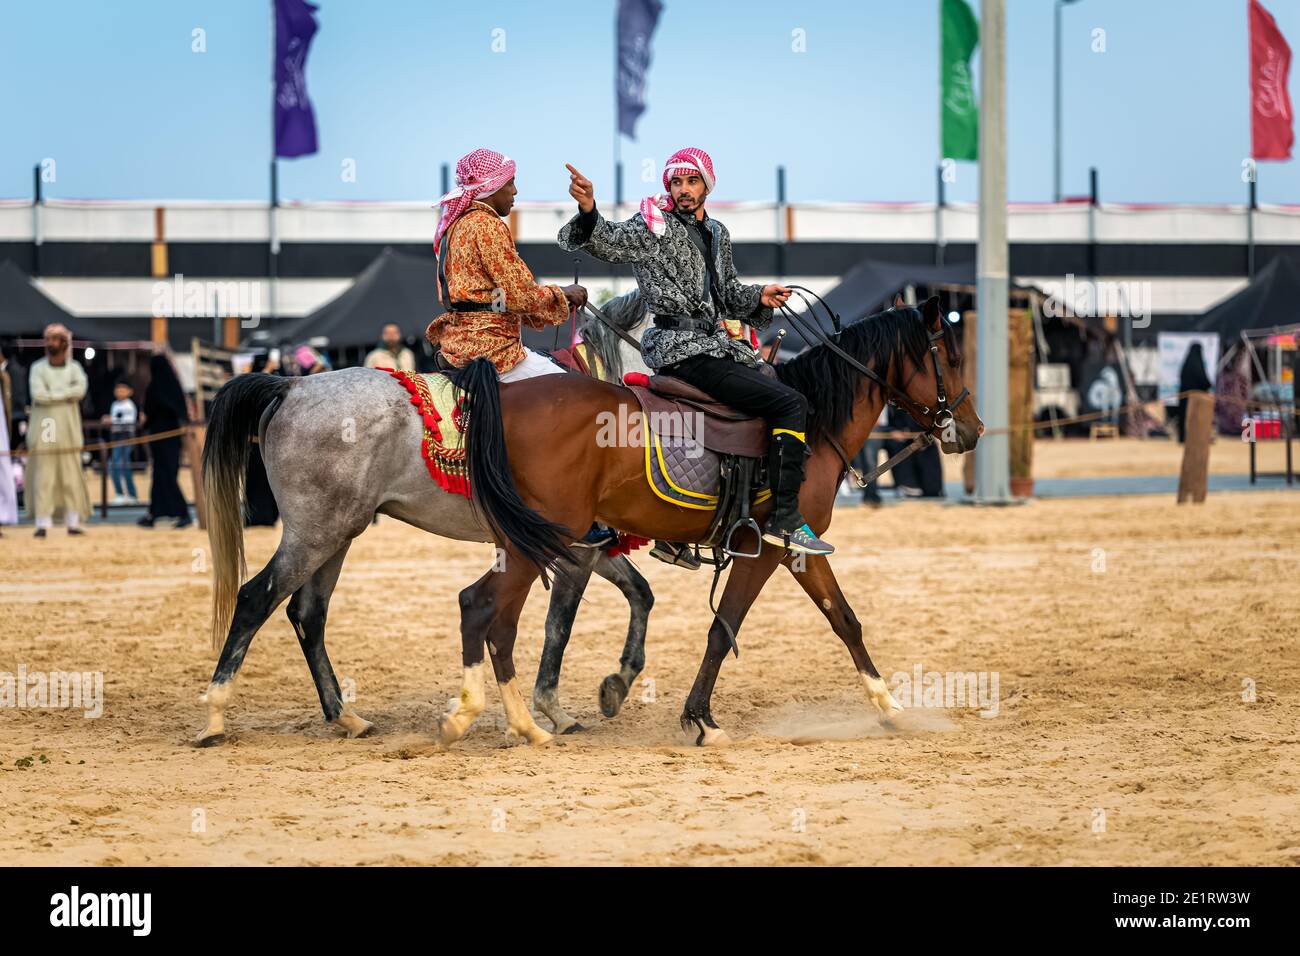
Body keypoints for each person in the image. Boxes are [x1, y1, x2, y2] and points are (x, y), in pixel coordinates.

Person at [559, 148, 833, 557]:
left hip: (716, 345)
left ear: (707, 184)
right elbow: (610, 242)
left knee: (769, 390)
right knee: (791, 404)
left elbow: (729, 294)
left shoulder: (718, 233)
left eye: (691, 181)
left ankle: (708, 518)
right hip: (678, 349)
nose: (683, 190)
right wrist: (589, 210)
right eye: (675, 182)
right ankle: (787, 516)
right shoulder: (653, 224)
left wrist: (761, 295)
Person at [426, 148, 586, 381]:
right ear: (492, 187)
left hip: (457, 344)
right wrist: (562, 294)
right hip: (491, 349)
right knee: (571, 388)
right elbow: (519, 296)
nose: (515, 190)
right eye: (510, 183)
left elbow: (500, 298)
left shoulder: (458, 225)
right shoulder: (488, 224)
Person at [28, 324, 92, 537]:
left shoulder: (74, 368)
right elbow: (39, 394)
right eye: (48, 339)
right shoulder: (38, 368)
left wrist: (55, 394)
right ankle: (42, 523)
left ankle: (72, 522)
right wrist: (65, 395)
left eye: (55, 339)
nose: (51, 343)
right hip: (46, 428)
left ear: (64, 343)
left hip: (68, 428)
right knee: (44, 475)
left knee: (70, 475)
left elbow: (80, 390)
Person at [138, 353, 192, 529]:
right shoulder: (174, 386)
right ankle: (155, 512)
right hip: (173, 437)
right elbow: (181, 411)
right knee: (165, 474)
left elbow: (150, 411)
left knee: (165, 475)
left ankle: (182, 513)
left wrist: (143, 425)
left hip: (159, 437)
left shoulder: (154, 387)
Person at [102, 380, 140, 504]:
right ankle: (120, 493)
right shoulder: (115, 405)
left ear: (130, 392)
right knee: (115, 465)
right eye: (117, 389)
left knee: (122, 465)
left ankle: (131, 494)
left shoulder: (129, 405)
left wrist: (111, 420)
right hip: (116, 438)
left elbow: (127, 421)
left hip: (126, 437)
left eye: (123, 389)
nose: (119, 392)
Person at [1176, 342, 1213, 444]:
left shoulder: (1187, 363)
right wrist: (1208, 385)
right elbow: (1202, 379)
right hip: (1196, 398)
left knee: (1184, 417)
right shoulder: (1197, 364)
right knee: (1197, 418)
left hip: (1184, 396)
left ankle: (1183, 437)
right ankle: (1196, 438)